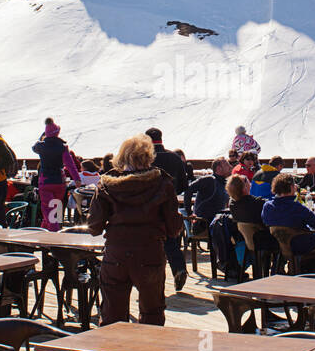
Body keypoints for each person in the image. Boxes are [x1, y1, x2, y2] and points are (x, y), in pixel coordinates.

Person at [87, 134, 181, 326]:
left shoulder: (106, 185)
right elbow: (173, 228)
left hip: (116, 254)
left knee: (112, 316)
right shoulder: (162, 183)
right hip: (150, 253)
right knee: (152, 313)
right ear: (148, 156)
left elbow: (94, 227)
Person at [146, 127, 188, 288]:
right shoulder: (174, 157)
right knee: (170, 237)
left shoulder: (144, 158)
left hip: (148, 205)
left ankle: (150, 275)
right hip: (170, 204)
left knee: (148, 239)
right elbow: (184, 185)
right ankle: (179, 267)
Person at [32, 119, 82, 232]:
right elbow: (70, 165)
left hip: (45, 183)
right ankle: (43, 237)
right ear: (57, 132)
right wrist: (77, 179)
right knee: (54, 211)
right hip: (60, 183)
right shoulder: (62, 147)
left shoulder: (41, 146)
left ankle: (54, 240)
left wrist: (42, 138)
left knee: (49, 212)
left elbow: (34, 147)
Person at [186, 158, 230, 234]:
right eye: (226, 164)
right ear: (219, 168)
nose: (230, 167)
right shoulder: (209, 180)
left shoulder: (224, 183)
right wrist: (189, 212)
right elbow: (188, 189)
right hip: (203, 224)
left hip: (217, 224)